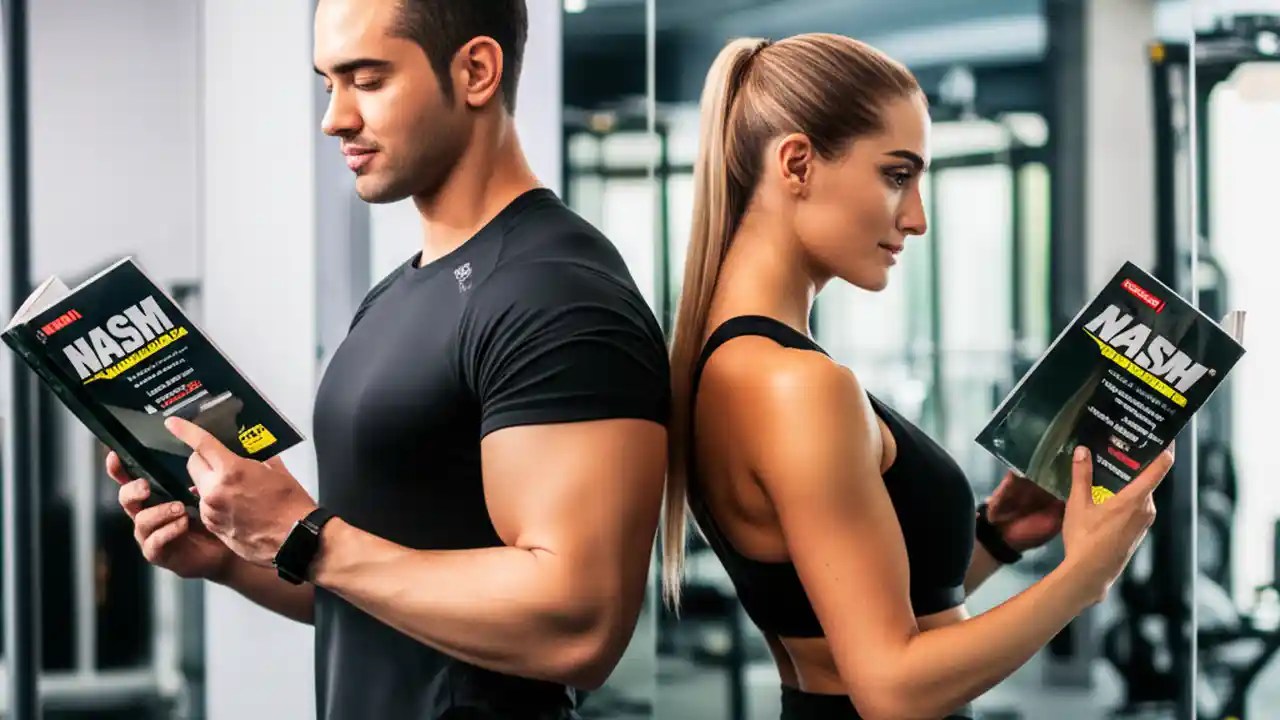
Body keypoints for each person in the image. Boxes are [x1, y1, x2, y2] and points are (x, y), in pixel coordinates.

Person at [108, 1, 670, 718]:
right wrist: (232, 554)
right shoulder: (395, 295)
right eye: (328, 85)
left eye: (367, 81)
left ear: (476, 71)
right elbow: (379, 595)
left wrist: (305, 538)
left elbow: (579, 622)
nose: (334, 119)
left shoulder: (556, 291)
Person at [661, 33, 1174, 720]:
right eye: (897, 176)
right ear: (796, 164)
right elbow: (891, 687)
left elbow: (843, 611)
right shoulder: (796, 386)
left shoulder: (734, 363)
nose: (917, 218)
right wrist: (1085, 576)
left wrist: (998, 534)